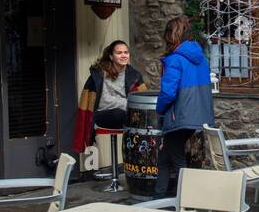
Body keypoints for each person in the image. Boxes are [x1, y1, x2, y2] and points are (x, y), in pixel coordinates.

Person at [154, 15, 214, 198]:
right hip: (198, 116)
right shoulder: (201, 58)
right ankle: (159, 196)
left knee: (177, 158)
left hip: (179, 115)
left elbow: (168, 93)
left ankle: (188, 199)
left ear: (170, 35)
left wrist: (159, 110)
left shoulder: (174, 59)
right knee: (165, 156)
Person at [72, 40, 146, 155]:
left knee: (146, 117)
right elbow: (103, 101)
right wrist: (127, 104)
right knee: (120, 114)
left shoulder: (134, 75)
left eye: (126, 52)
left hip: (127, 114)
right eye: (119, 53)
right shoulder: (101, 74)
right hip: (103, 114)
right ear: (111, 56)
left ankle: (135, 158)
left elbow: (141, 100)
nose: (123, 55)